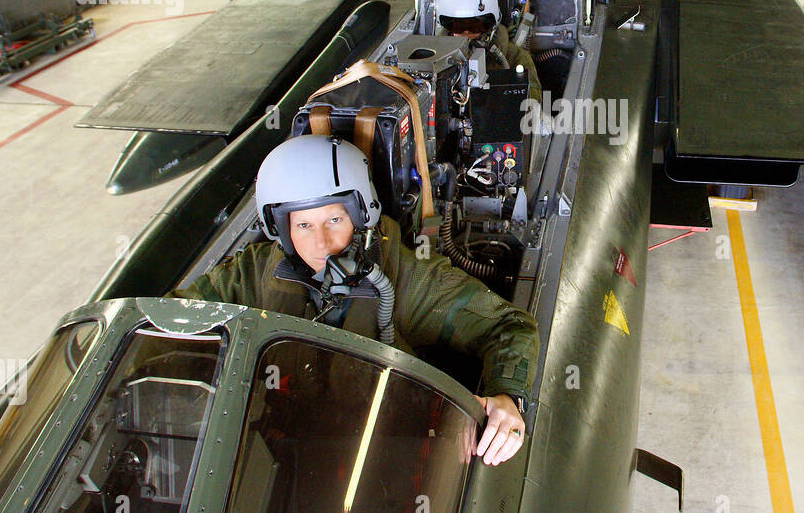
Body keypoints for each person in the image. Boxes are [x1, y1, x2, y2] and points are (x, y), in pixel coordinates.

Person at [168, 134, 537, 466]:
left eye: (334, 220)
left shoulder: (405, 278)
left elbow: (508, 326)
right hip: (276, 455)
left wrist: (506, 396)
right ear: (281, 230)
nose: (321, 244)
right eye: (303, 225)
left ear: (362, 217)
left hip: (380, 456)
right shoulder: (253, 275)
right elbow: (170, 324)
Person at [434, 0, 542, 105]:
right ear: (446, 26)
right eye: (458, 25)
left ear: (492, 24)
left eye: (475, 25)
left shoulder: (516, 59)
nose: (467, 32)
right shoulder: (434, 60)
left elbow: (533, 107)